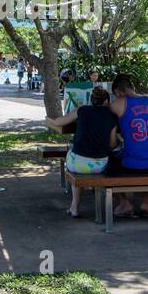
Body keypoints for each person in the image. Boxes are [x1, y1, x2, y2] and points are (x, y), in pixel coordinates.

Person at [45, 87, 120, 217]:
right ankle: (90, 189)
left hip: (77, 164)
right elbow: (112, 145)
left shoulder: (82, 110)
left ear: (91, 100)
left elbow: (59, 122)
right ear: (107, 101)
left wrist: (47, 120)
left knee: (73, 156)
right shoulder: (111, 116)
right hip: (100, 165)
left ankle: (74, 207)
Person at [107, 74, 148, 218]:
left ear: (117, 92)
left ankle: (124, 203)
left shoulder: (120, 102)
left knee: (108, 164)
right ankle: (145, 204)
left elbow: (105, 115)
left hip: (133, 164)